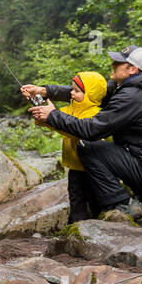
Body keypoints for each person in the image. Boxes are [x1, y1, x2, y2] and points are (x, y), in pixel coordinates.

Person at [22, 45, 142, 228]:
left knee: (88, 147)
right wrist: (45, 91)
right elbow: (88, 92)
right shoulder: (130, 88)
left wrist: (53, 115)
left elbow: (92, 130)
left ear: (132, 70)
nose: (113, 64)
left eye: (119, 63)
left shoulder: (131, 96)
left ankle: (122, 204)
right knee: (132, 158)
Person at [39, 71, 109, 222]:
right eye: (72, 89)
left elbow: (78, 132)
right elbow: (55, 121)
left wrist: (53, 117)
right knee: (76, 201)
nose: (71, 93)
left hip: (93, 171)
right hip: (75, 170)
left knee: (96, 202)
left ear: (91, 94)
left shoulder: (97, 115)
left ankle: (99, 227)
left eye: (77, 91)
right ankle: (75, 227)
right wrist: (42, 112)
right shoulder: (71, 109)